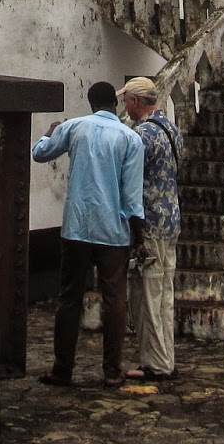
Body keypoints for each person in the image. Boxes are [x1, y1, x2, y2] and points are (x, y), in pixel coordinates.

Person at [32, 80, 145, 388]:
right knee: (114, 300)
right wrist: (139, 235)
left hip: (77, 228)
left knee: (69, 298)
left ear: (91, 101)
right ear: (115, 103)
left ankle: (62, 368)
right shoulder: (130, 139)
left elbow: (40, 154)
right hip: (113, 231)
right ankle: (111, 370)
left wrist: (48, 132)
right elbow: (133, 197)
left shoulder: (75, 128)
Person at [120, 75, 181, 380]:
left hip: (151, 223)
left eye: (126, 101)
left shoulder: (142, 134)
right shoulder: (170, 128)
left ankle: (156, 363)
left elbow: (128, 173)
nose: (124, 107)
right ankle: (166, 356)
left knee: (148, 295)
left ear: (135, 101)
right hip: (171, 219)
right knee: (165, 295)